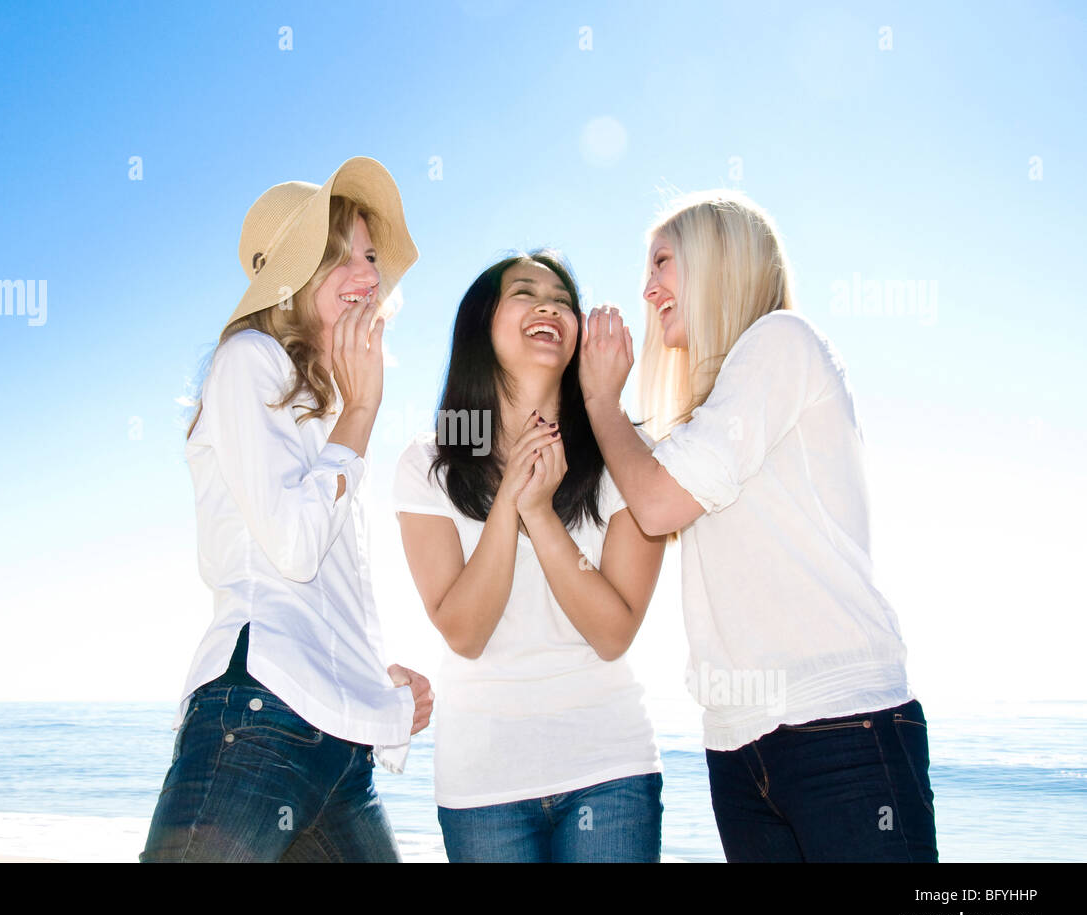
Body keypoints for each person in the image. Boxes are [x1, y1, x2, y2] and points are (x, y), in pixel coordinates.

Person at [578, 189, 937, 862]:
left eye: (662, 261)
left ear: (719, 258)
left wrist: (602, 399)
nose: (647, 287)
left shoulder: (780, 341)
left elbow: (653, 503)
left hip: (839, 727)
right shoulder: (706, 419)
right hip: (738, 745)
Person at [140, 157, 434, 863]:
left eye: (370, 253)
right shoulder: (249, 360)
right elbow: (294, 547)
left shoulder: (328, 405)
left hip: (338, 744)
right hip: (260, 714)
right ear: (293, 278)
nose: (367, 272)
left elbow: (322, 582)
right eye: (339, 257)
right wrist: (362, 410)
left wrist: (373, 676)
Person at [394, 250, 667, 863]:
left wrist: (541, 516)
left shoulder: (624, 451)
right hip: (483, 783)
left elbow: (613, 632)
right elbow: (465, 631)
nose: (549, 305)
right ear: (481, 323)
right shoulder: (429, 459)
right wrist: (510, 501)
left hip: (610, 766)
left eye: (563, 300)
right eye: (525, 292)